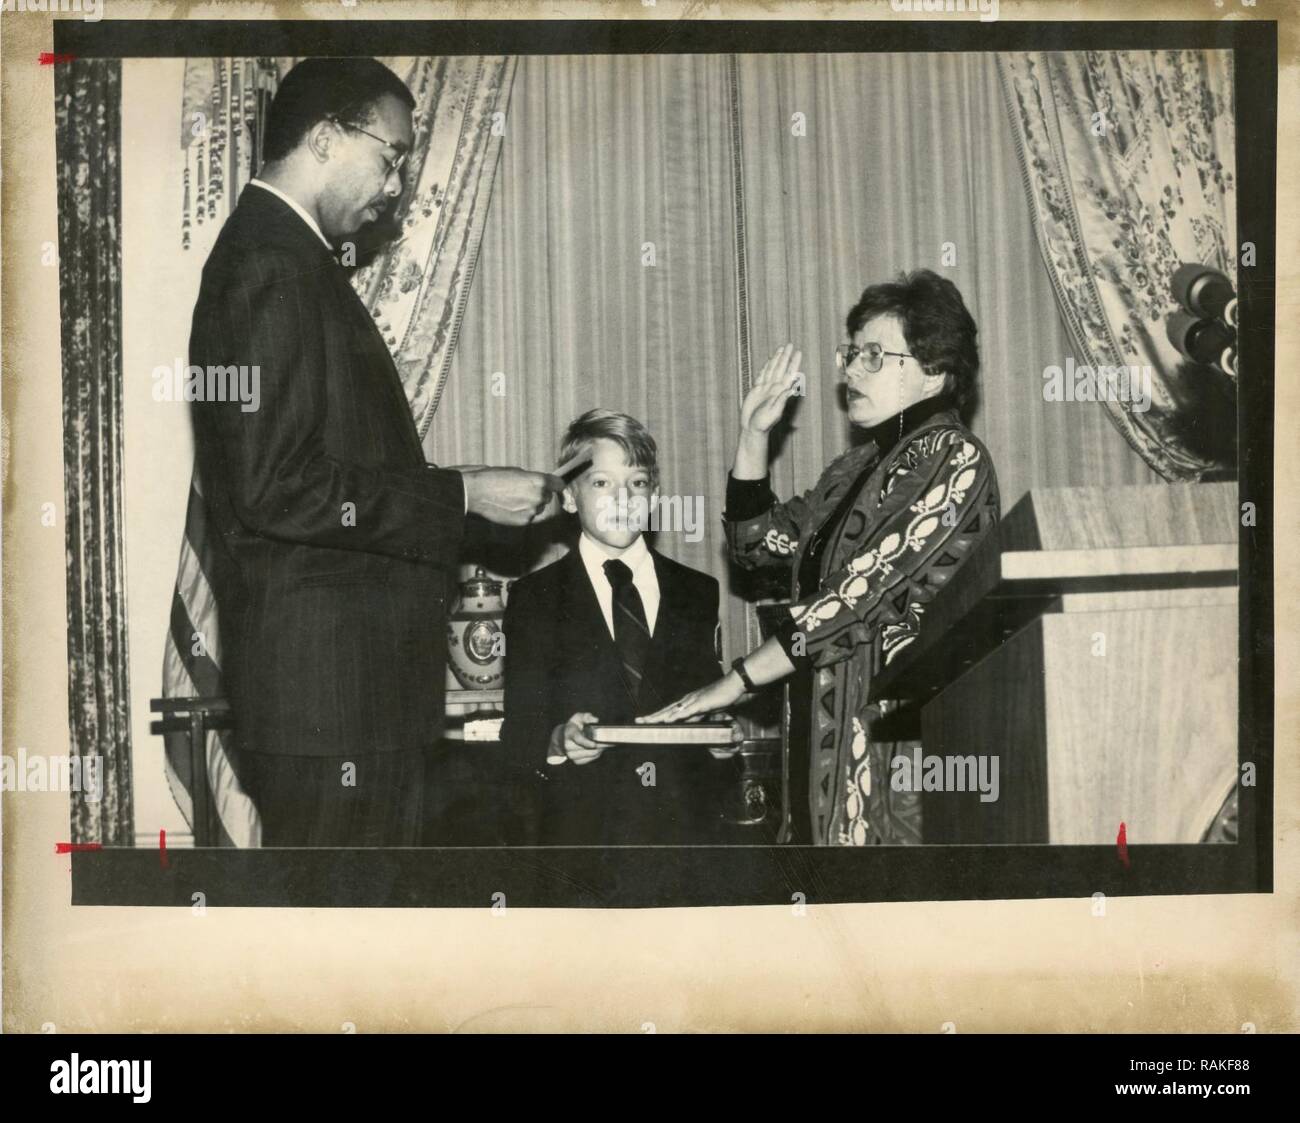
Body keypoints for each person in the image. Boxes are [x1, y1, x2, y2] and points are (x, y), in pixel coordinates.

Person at [188, 58, 561, 846]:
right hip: (330, 707)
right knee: (342, 946)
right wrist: (461, 495)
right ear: (325, 138)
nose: (396, 187)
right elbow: (275, 484)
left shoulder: (291, 258)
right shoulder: (268, 265)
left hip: (344, 703)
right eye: (390, 158)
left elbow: (319, 470)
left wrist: (462, 492)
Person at [641, 270, 1001, 846]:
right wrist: (753, 436)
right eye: (851, 353)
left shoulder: (955, 458)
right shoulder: (850, 472)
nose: (850, 370)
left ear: (934, 372)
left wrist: (738, 680)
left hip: (894, 756)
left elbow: (861, 595)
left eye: (874, 356)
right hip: (816, 745)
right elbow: (758, 551)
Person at [498, 410, 738, 845]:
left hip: (683, 833)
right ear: (570, 498)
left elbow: (706, 702)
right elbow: (518, 734)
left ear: (655, 496)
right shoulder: (535, 598)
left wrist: (721, 740)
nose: (623, 498)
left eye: (638, 483)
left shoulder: (696, 590)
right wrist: (557, 741)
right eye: (602, 483)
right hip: (582, 837)